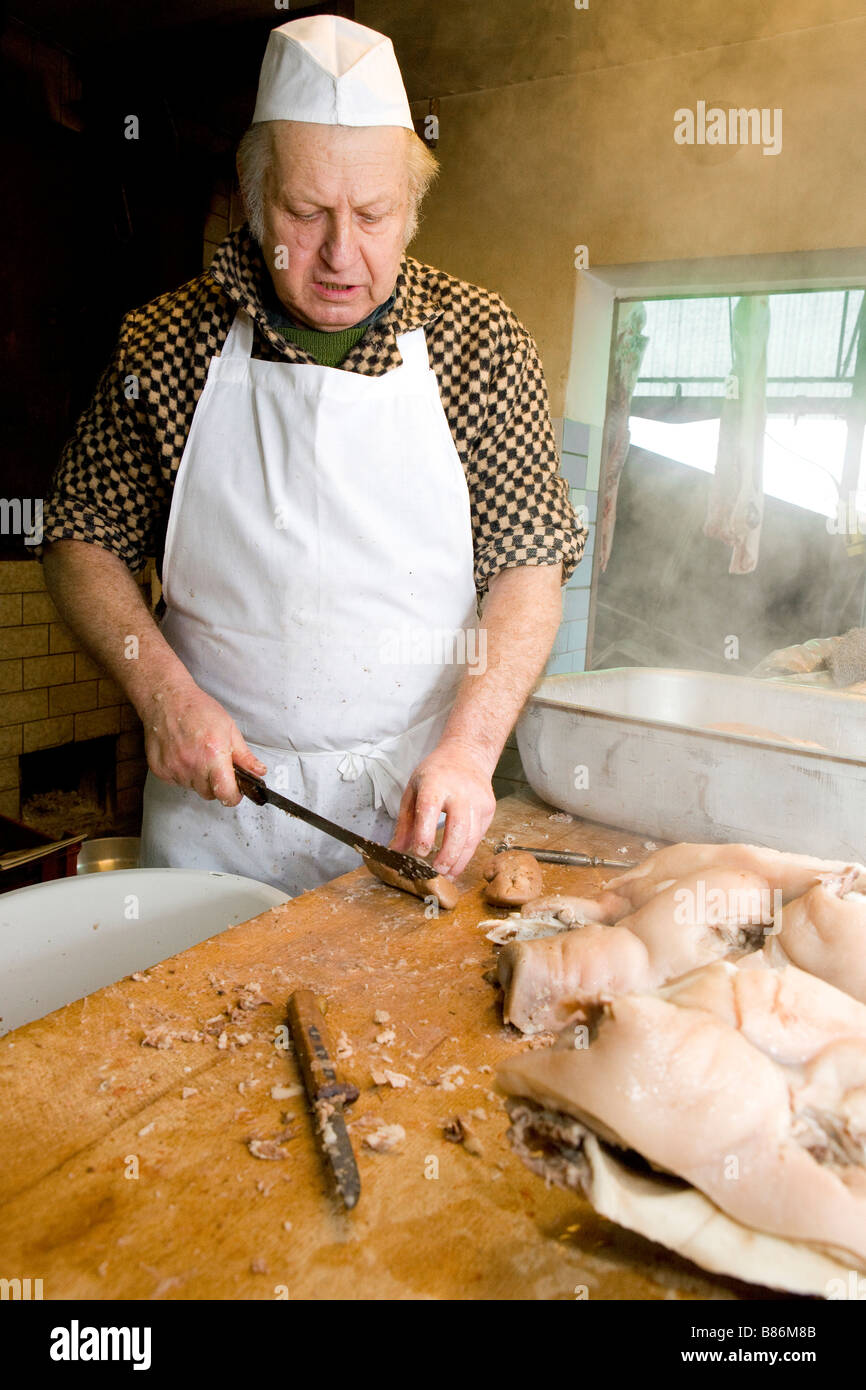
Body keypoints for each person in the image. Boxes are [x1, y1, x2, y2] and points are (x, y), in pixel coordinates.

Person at [41, 15, 584, 894]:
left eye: (372, 215)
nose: (340, 254)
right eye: (305, 212)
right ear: (255, 204)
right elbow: (78, 540)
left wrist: (471, 752)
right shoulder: (165, 342)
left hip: (412, 805)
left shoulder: (481, 342)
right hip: (213, 813)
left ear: (412, 209)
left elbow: (529, 567)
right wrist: (165, 698)